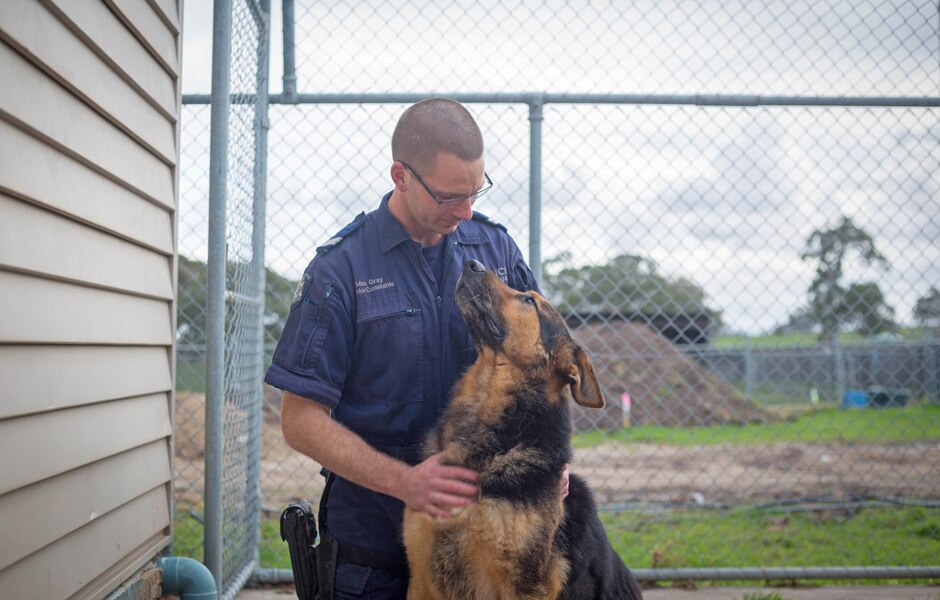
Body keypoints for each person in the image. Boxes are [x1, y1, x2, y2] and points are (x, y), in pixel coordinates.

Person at [265, 98, 557, 599]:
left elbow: (542, 364)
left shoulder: (494, 250)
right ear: (400, 176)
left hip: (479, 551)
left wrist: (555, 466)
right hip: (372, 550)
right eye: (449, 196)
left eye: (475, 192)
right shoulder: (341, 270)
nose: (465, 212)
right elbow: (300, 419)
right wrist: (405, 482)